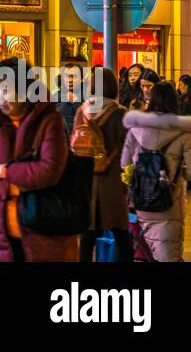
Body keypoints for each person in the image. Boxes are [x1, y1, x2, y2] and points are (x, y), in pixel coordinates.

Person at [0, 58, 80, 261]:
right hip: (5, 239)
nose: (1, 97)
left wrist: (6, 172)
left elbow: (49, 171)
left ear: (26, 90)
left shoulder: (49, 120)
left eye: (6, 89)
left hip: (45, 234)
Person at [121, 81, 191, 262]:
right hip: (169, 205)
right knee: (169, 255)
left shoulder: (135, 129)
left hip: (141, 203)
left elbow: (124, 164)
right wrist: (179, 176)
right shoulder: (184, 132)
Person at [73, 66, 129, 262]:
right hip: (113, 181)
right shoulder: (120, 113)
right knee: (121, 232)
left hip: (87, 181)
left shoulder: (82, 111)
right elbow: (129, 147)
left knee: (87, 236)